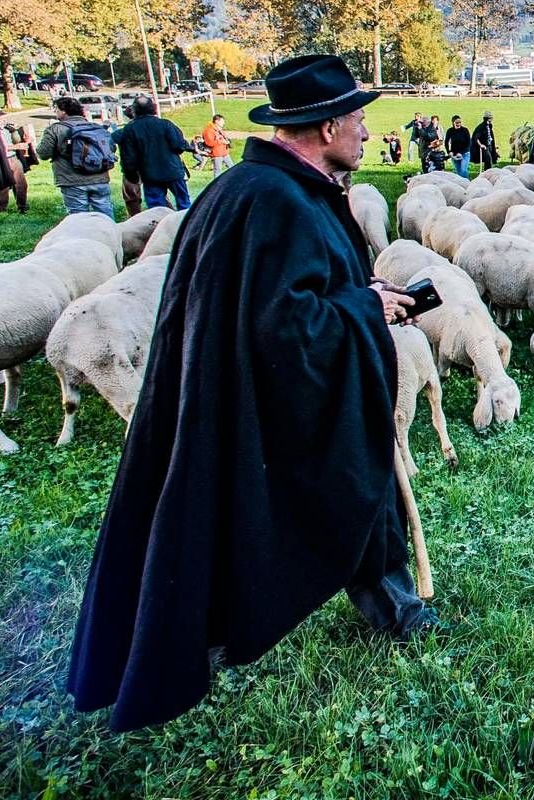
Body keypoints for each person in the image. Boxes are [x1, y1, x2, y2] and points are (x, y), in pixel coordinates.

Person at [68, 54, 434, 733]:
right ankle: (341, 606)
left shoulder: (259, 189)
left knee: (359, 489)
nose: (363, 130)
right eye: (357, 119)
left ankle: (390, 605)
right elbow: (287, 327)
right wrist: (367, 308)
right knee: (338, 490)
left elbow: (280, 302)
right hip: (274, 406)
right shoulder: (275, 203)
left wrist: (363, 297)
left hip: (252, 395)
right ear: (324, 128)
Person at [37, 95, 117, 219]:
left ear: (64, 111)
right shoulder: (96, 127)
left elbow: (43, 154)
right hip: (99, 178)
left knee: (79, 218)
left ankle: (84, 237)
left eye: (56, 109)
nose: (55, 112)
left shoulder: (55, 129)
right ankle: (111, 235)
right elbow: (111, 148)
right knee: (105, 214)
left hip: (72, 180)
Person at [116, 96, 197, 211]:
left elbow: (129, 157)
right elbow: (179, 145)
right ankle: (188, 226)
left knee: (157, 210)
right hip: (173, 171)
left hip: (150, 175)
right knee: (184, 204)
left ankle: (161, 227)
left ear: (134, 110)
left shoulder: (130, 129)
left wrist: (132, 176)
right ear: (153, 108)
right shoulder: (165, 124)